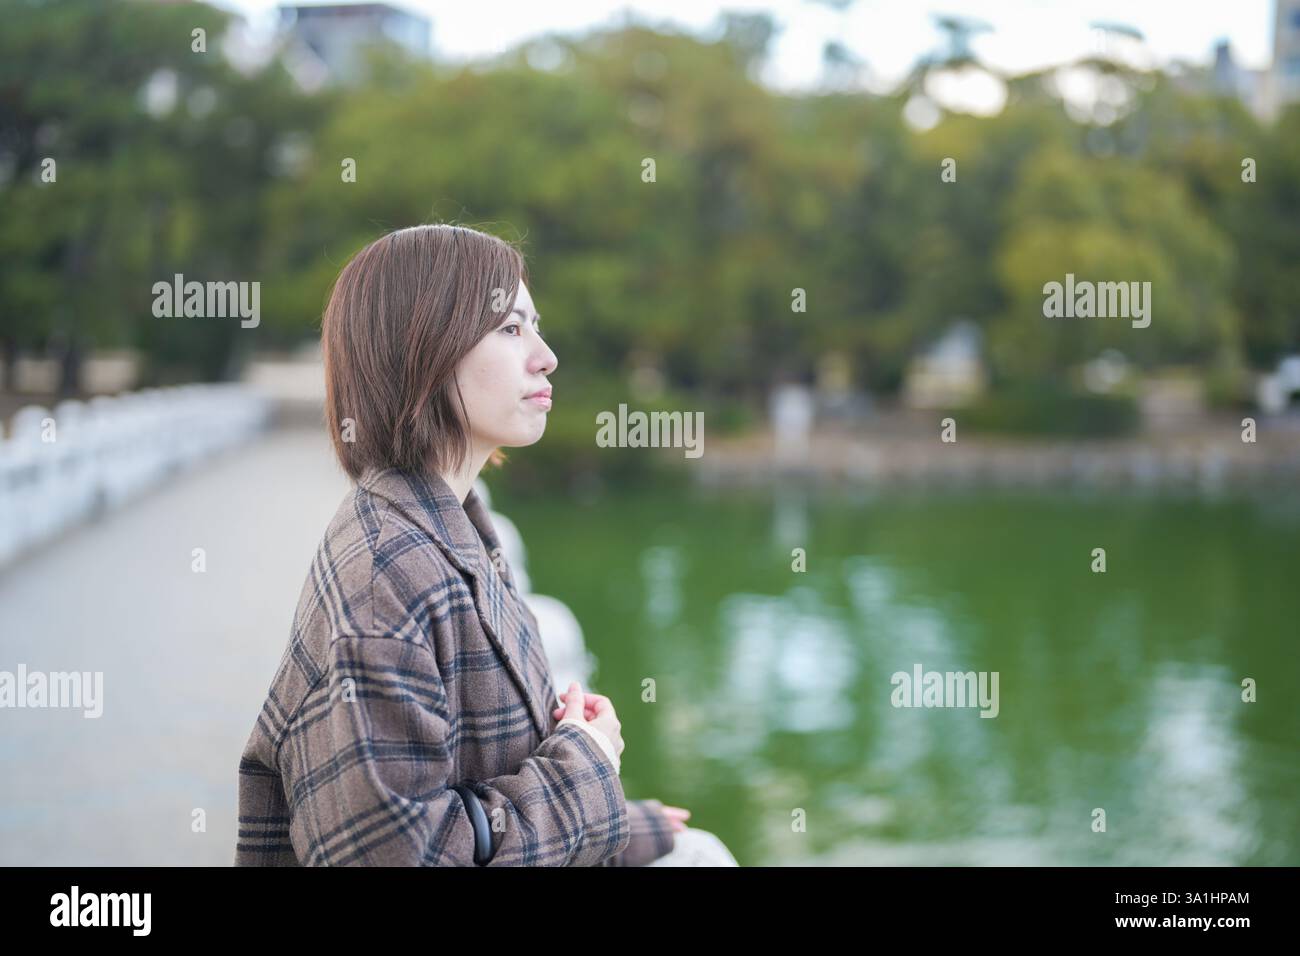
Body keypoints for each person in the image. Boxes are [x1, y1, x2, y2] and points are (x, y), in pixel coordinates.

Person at [234, 223, 723, 866]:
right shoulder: (387, 579)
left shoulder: (451, 530)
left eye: (535, 327)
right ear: (426, 351)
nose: (546, 356)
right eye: (511, 329)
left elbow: (472, 787)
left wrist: (621, 821)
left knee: (695, 848)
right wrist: (588, 759)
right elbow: (407, 855)